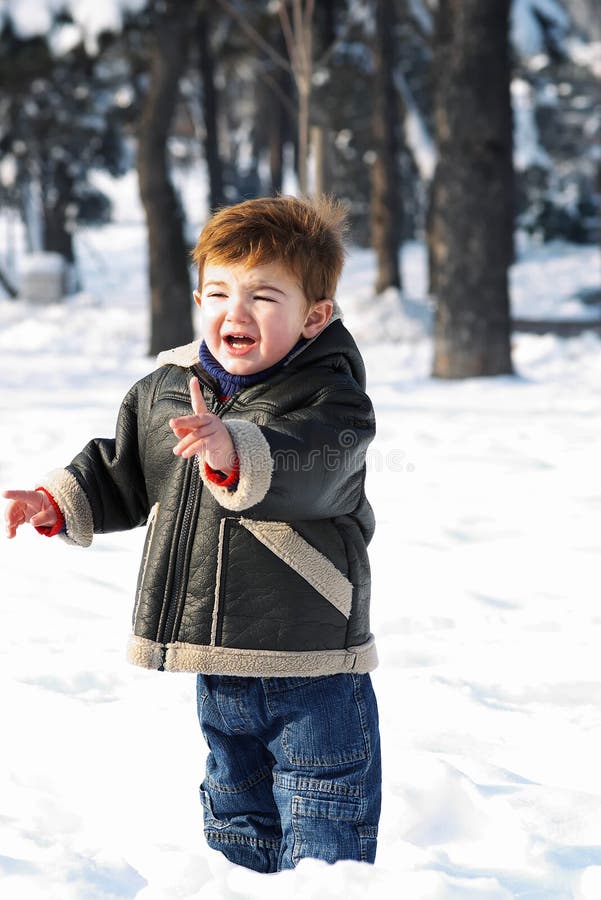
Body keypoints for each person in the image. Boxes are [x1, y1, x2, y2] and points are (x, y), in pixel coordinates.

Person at [3, 195, 381, 873]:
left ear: (313, 317)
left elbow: (310, 464)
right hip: (214, 655)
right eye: (217, 291)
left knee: (322, 814)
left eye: (264, 296)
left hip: (312, 657)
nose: (234, 312)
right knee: (236, 808)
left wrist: (232, 446)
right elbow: (122, 471)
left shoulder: (333, 400)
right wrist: (54, 500)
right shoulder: (167, 390)